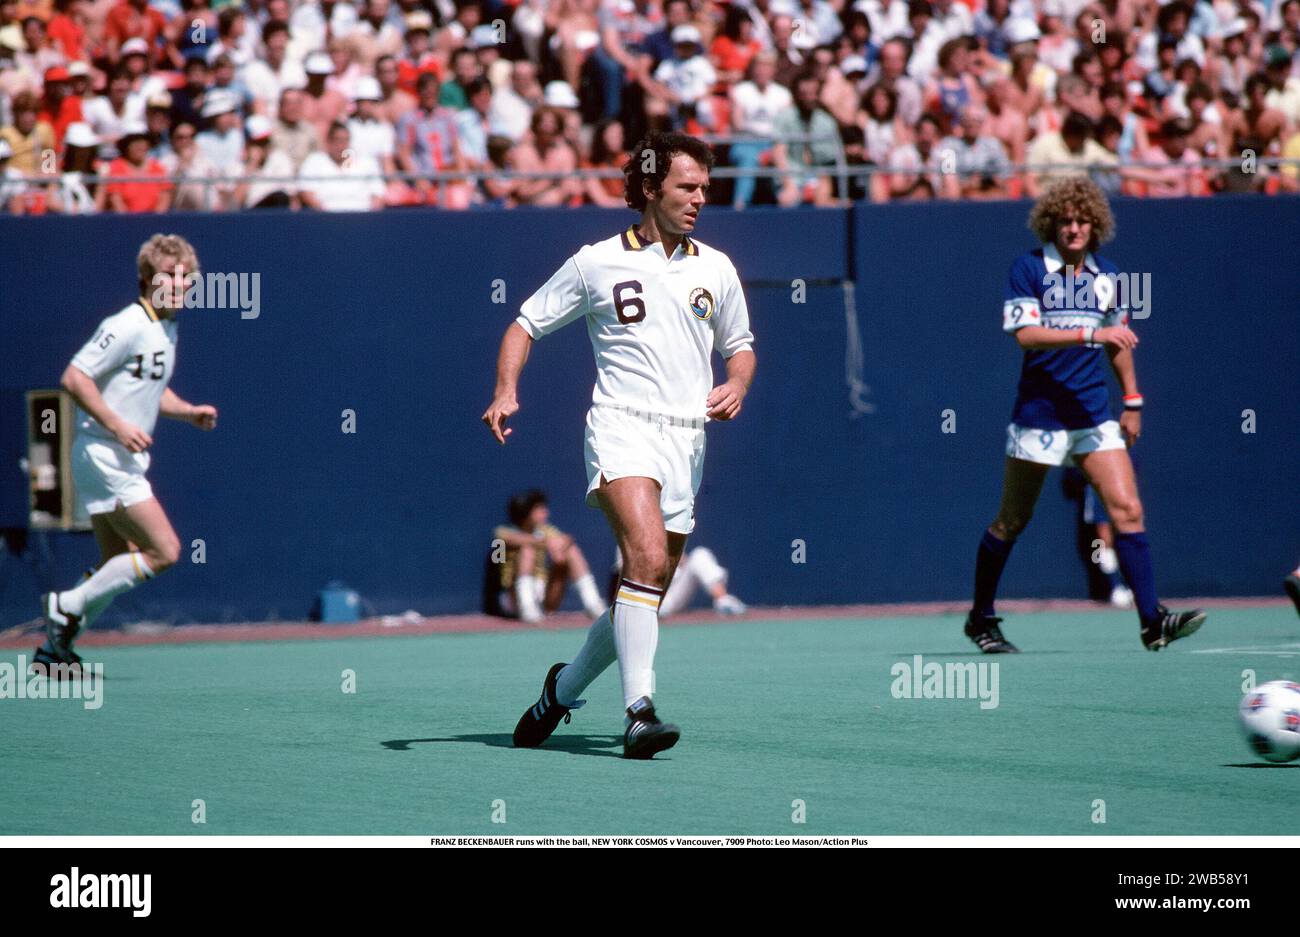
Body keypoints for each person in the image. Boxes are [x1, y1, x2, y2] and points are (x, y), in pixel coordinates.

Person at [482, 131, 755, 758]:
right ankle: (639, 711)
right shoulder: (596, 261)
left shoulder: (715, 267)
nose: (699, 200)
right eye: (687, 187)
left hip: (687, 439)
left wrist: (736, 382)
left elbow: (740, 347)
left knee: (647, 583)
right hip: (620, 425)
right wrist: (505, 390)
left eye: (706, 190)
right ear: (652, 187)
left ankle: (562, 688)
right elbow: (524, 324)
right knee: (646, 553)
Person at [964, 177, 1206, 654]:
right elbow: (1028, 336)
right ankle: (981, 618)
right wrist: (1088, 335)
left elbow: (1121, 343)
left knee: (1128, 510)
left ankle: (1151, 620)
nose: (1074, 228)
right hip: (1039, 418)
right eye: (1066, 220)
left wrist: (1132, 401)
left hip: (1093, 415)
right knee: (1012, 520)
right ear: (1050, 224)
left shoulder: (1110, 275)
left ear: (1096, 226)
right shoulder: (1028, 269)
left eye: (1082, 220)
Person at [36, 235, 218, 669]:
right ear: (145, 280)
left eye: (183, 277)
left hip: (112, 458)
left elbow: (150, 389)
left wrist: (189, 412)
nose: (177, 284)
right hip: (104, 456)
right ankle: (66, 603)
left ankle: (53, 652)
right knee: (166, 550)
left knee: (117, 563)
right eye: (167, 277)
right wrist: (117, 425)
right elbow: (74, 377)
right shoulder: (127, 324)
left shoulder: (166, 326)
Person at [483, 489, 608, 623]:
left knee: (571, 551)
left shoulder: (546, 530)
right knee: (527, 550)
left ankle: (592, 604)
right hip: (512, 599)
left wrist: (561, 547)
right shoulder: (503, 531)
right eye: (539, 509)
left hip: (544, 598)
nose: (545, 512)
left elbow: (565, 540)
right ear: (526, 512)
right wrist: (545, 542)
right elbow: (506, 540)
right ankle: (527, 607)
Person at [611, 544, 747, 617]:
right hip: (647, 598)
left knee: (700, 555)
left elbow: (682, 560)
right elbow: (624, 578)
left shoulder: (667, 527)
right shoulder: (629, 537)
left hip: (671, 596)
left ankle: (723, 601)